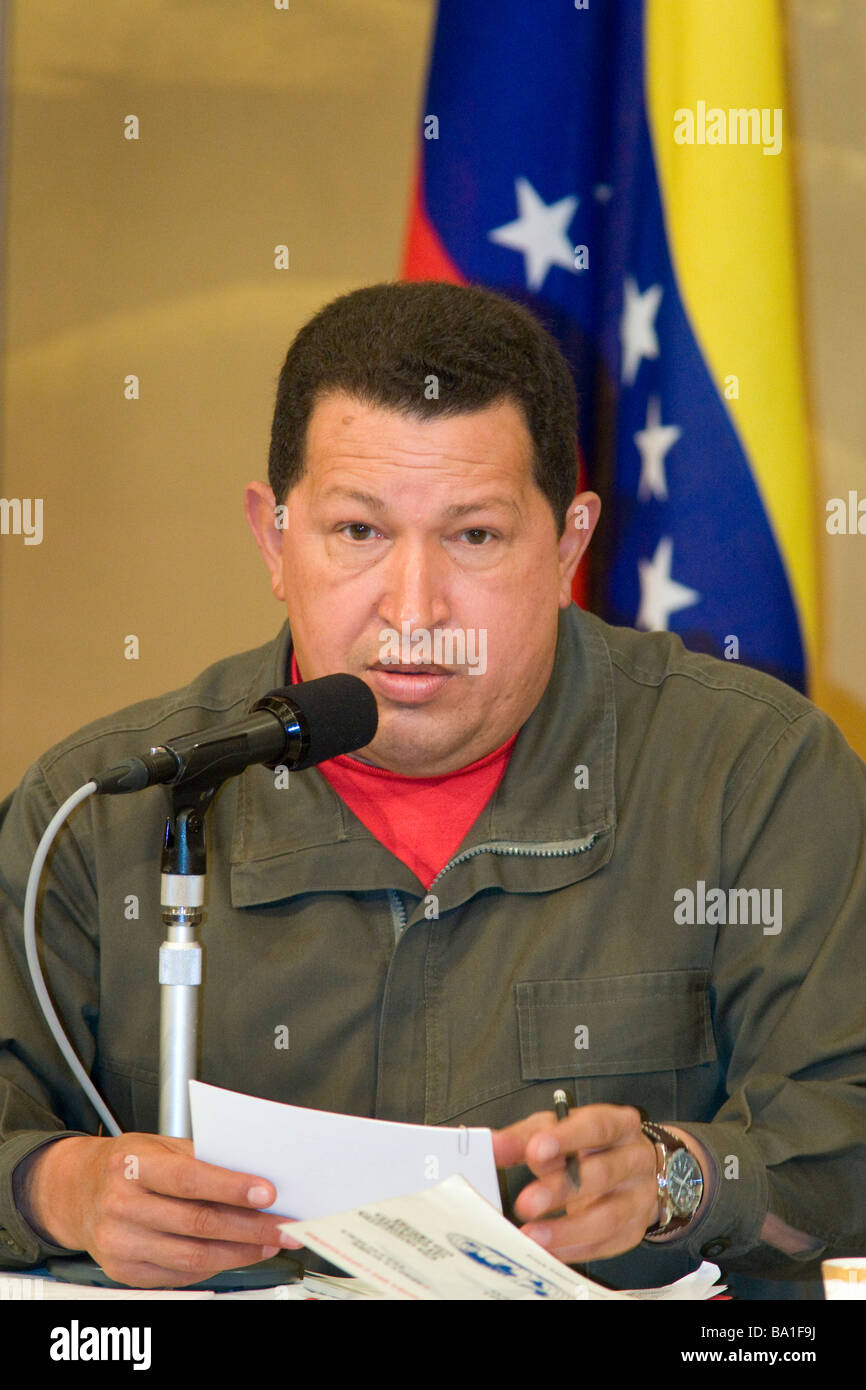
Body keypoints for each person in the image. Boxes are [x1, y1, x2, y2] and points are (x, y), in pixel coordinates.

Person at [0, 281, 864, 1299]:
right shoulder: (102, 805)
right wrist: (59, 1186)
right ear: (274, 538)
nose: (412, 610)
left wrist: (678, 1178)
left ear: (568, 547)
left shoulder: (752, 776)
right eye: (358, 532)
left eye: (474, 537)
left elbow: (844, 1133)